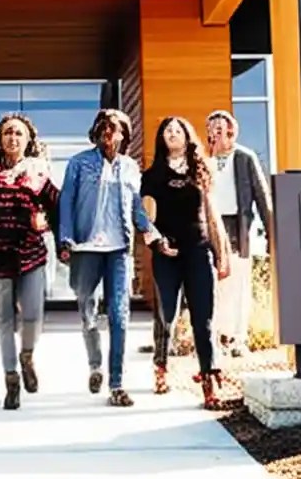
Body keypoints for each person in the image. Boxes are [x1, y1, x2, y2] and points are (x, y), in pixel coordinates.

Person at [57, 109, 161, 407]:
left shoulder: (130, 167)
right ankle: (95, 365)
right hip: (85, 248)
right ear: (96, 132)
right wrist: (65, 239)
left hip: (118, 250)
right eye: (103, 128)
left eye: (114, 129)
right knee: (86, 310)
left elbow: (137, 209)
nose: (108, 133)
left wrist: (152, 232)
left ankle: (117, 384)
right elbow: (66, 202)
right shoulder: (78, 163)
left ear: (123, 135)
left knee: (119, 314)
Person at [0, 113, 60, 410]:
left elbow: (56, 204)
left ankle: (27, 355)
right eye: (7, 133)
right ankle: (11, 380)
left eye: (18, 133)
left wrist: (59, 235)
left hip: (30, 250)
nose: (13, 138)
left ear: (28, 139)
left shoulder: (38, 170)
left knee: (33, 316)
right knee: (4, 319)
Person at [141, 116, 231, 409]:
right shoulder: (152, 175)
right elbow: (144, 217)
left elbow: (211, 214)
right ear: (161, 138)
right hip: (167, 252)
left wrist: (222, 254)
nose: (173, 133)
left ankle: (209, 378)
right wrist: (157, 242)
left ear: (187, 136)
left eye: (178, 130)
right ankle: (161, 367)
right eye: (167, 130)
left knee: (203, 317)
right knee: (167, 314)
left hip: (198, 249)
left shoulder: (200, 170)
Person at [205, 110, 274, 358]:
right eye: (213, 129)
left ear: (232, 132)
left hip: (238, 226)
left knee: (239, 284)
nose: (217, 134)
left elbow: (262, 197)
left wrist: (271, 235)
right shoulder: (205, 159)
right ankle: (218, 336)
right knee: (215, 285)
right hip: (211, 226)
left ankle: (239, 338)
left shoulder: (245, 157)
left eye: (222, 129)